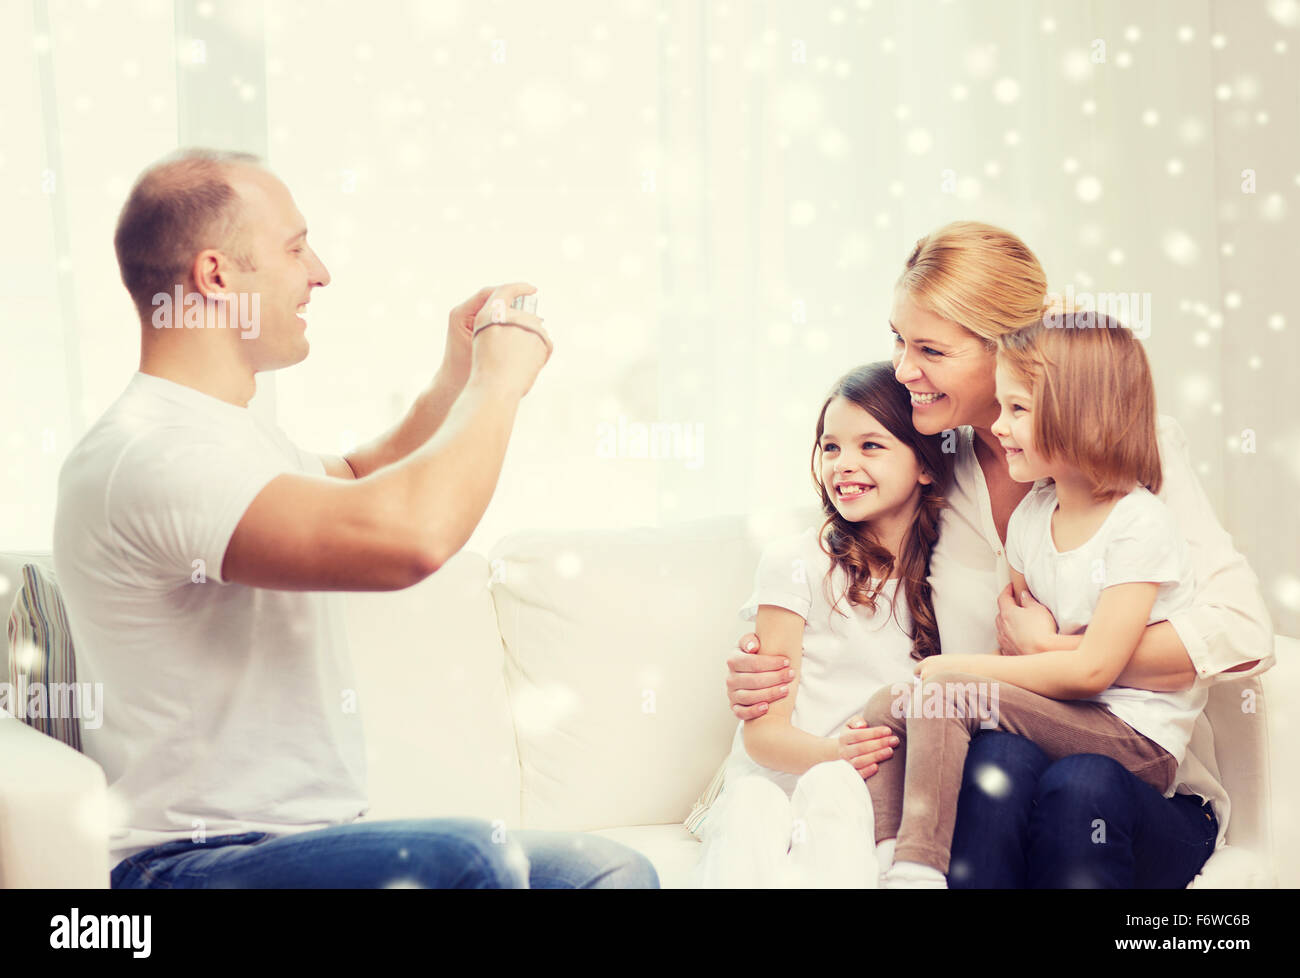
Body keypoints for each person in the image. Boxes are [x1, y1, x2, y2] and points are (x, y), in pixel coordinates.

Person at [53, 147, 657, 889]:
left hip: (313, 843)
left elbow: (356, 480)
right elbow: (406, 538)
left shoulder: (224, 436)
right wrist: (498, 384)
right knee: (475, 861)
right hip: (188, 867)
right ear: (215, 277)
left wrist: (455, 374)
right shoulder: (149, 453)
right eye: (295, 247)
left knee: (607, 871)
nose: (320, 272)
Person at [724, 221, 1273, 888]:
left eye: (930, 349)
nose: (904, 370)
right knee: (997, 769)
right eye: (898, 340)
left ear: (1008, 346)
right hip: (1002, 771)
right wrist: (770, 671)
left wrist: (1059, 649)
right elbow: (837, 568)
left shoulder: (1124, 454)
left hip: (1131, 787)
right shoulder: (929, 467)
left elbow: (1242, 632)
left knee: (1078, 785)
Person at [859, 310, 1203, 888]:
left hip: (1134, 736)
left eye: (1016, 409)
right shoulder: (1032, 518)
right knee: (890, 705)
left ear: (1079, 416)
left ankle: (918, 868)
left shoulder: (1137, 523)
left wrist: (951, 670)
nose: (998, 426)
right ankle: (885, 851)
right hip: (1065, 718)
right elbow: (1017, 658)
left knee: (941, 687)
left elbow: (1095, 668)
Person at [693, 363, 952, 887]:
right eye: (830, 447)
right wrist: (835, 754)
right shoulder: (797, 561)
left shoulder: (949, 574)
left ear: (925, 465)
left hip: (857, 794)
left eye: (870, 446)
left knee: (837, 796)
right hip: (776, 779)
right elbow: (764, 736)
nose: (843, 465)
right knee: (755, 804)